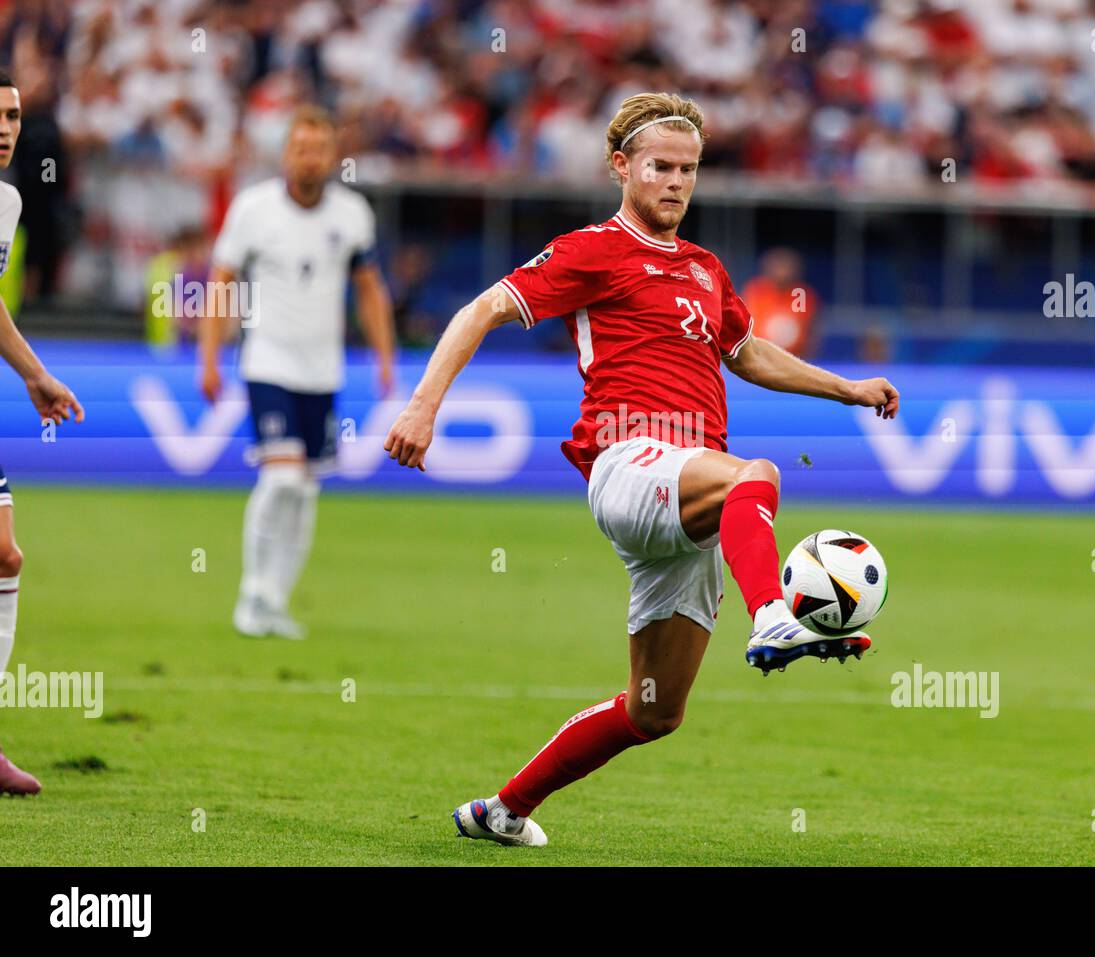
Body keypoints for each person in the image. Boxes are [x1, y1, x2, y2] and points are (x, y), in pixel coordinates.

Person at [384, 92, 899, 846]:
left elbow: (748, 352)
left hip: (686, 503)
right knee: (754, 473)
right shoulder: (593, 249)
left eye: (688, 169)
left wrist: (846, 387)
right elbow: (483, 309)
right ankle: (774, 613)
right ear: (622, 166)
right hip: (630, 464)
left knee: (654, 709)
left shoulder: (704, 268)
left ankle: (503, 809)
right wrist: (422, 406)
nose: (676, 182)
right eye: (660, 166)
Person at [199, 106, 394, 639]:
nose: (309, 158)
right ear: (286, 153)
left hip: (322, 369)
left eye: (319, 148)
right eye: (300, 147)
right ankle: (252, 593)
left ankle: (276, 601)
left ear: (334, 155)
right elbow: (222, 282)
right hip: (267, 361)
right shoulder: (253, 209)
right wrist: (209, 357)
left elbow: (370, 289)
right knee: (281, 477)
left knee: (305, 491)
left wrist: (383, 357)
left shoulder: (352, 214)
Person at [0, 69, 84, 795]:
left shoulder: (8, 200)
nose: (5, 127)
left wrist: (33, 373)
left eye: (14, 115)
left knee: (4, 556)